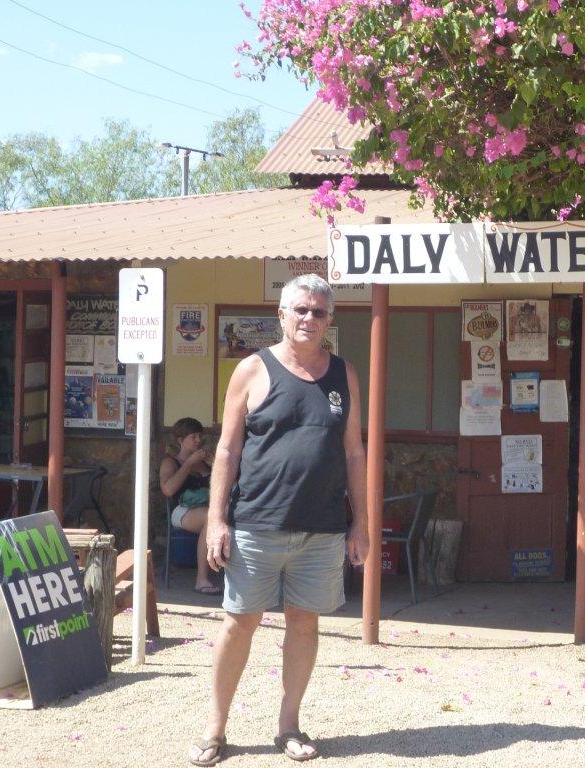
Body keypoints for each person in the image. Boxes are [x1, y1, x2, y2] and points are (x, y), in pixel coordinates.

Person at [188, 274, 368, 766]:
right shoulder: (251, 369)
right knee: (239, 624)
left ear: (330, 319)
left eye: (319, 312)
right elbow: (227, 449)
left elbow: (355, 453)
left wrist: (362, 524)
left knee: (304, 625)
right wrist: (217, 521)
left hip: (323, 527)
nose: (310, 318)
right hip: (256, 524)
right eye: (301, 310)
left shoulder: (344, 375)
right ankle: (215, 727)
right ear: (282, 316)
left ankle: (288, 726)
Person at [160, 417, 219, 595]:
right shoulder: (171, 462)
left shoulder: (206, 463)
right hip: (182, 511)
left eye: (200, 436)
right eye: (193, 437)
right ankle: (201, 579)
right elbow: (168, 490)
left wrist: (217, 465)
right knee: (212, 519)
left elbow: (232, 487)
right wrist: (188, 464)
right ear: (180, 440)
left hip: (210, 509)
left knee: (217, 517)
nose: (198, 440)